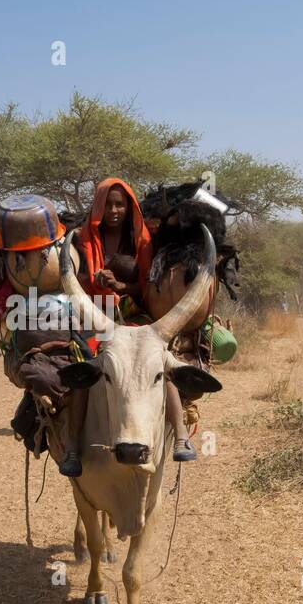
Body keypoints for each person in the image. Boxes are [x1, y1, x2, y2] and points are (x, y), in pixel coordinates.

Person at [59, 178, 194, 478]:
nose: (114, 210)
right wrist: (94, 283)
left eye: (120, 204)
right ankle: (71, 446)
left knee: (158, 357)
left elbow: (146, 286)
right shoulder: (83, 239)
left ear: (129, 206)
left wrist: (121, 285)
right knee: (84, 362)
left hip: (133, 313)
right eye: (108, 204)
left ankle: (181, 433)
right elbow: (76, 282)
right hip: (95, 315)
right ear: (98, 207)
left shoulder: (142, 239)